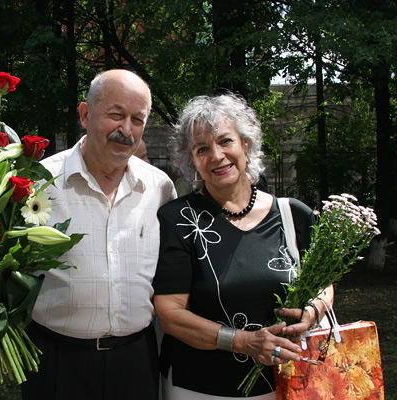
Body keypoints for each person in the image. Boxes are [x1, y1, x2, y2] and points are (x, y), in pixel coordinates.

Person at [152, 93, 333, 399]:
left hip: (289, 383)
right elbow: (169, 314)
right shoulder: (179, 220)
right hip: (201, 387)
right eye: (202, 149)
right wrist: (245, 342)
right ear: (192, 161)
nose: (217, 156)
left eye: (225, 141)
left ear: (245, 145)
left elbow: (323, 282)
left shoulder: (293, 214)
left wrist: (314, 310)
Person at [21, 69, 177, 400]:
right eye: (116, 115)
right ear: (85, 114)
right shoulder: (38, 184)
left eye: (137, 119)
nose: (126, 130)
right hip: (56, 361)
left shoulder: (160, 188)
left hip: (136, 360)